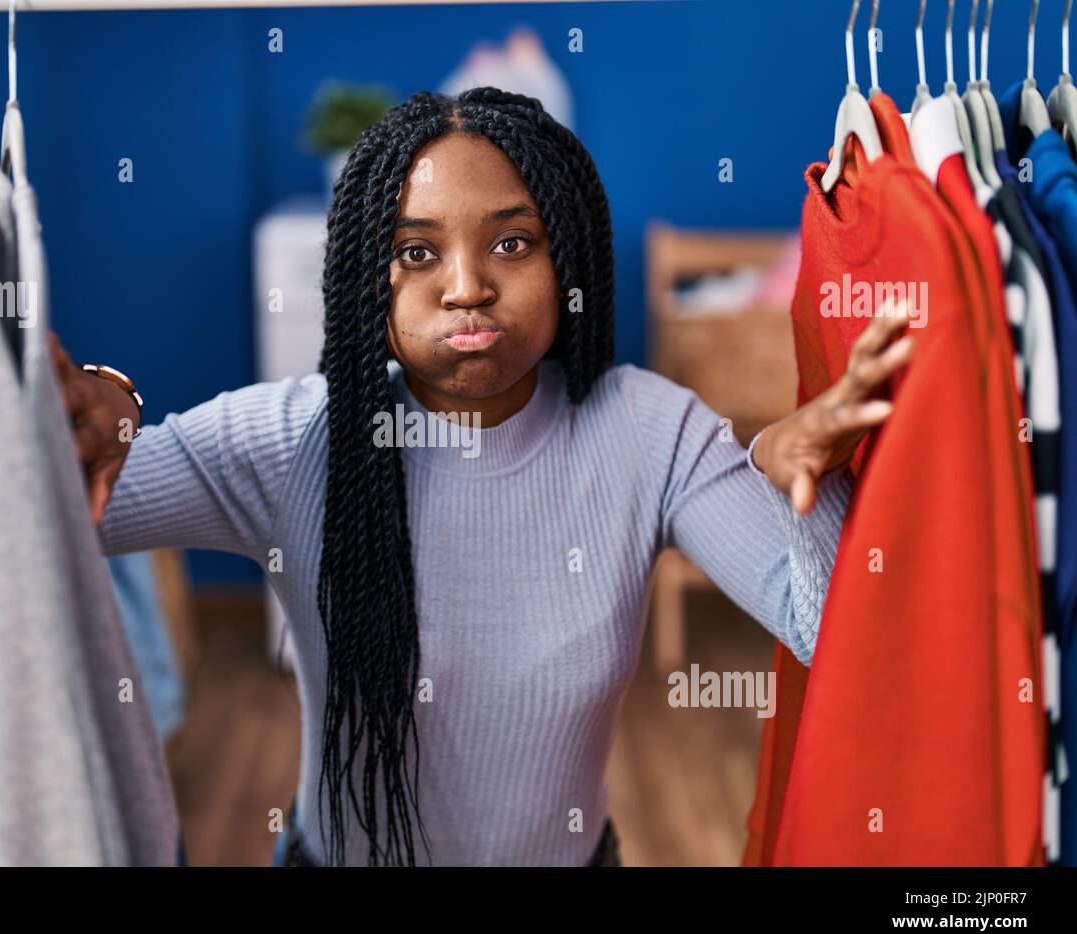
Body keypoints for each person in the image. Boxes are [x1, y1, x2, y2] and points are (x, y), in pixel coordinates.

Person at [51, 88, 914, 867]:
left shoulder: (649, 430)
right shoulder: (292, 440)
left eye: (512, 242)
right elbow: (52, 511)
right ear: (366, 280)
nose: (467, 287)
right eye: (416, 253)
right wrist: (103, 409)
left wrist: (794, 477)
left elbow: (834, 633)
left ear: (565, 259)